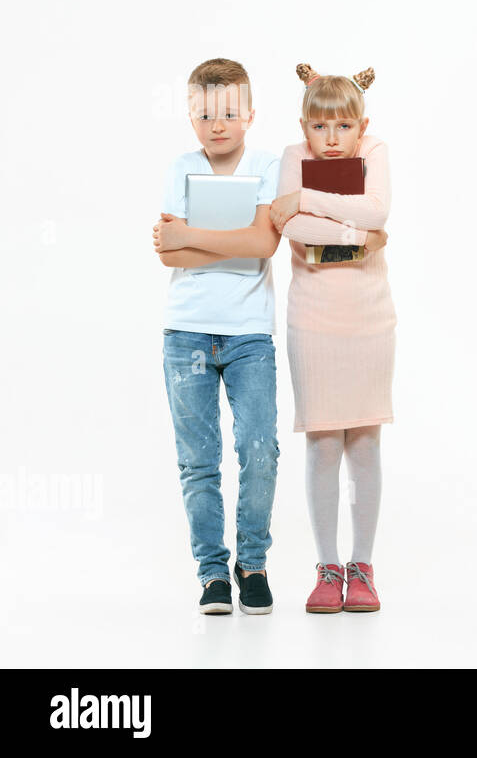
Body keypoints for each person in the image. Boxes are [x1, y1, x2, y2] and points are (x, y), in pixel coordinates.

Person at [154, 57, 281, 615]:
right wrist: (222, 237)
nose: (218, 124)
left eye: (230, 112)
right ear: (190, 115)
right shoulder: (181, 165)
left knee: (259, 450)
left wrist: (192, 235)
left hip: (249, 333)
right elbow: (167, 253)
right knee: (198, 460)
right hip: (186, 332)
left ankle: (252, 563)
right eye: (205, 113)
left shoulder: (268, 164)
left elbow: (263, 245)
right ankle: (213, 575)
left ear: (250, 113)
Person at [270, 64, 394, 614]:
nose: (332, 139)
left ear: (360, 127)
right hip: (313, 318)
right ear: (305, 126)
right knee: (323, 444)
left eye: (344, 127)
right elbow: (289, 226)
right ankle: (326, 567)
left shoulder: (378, 151)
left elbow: (379, 210)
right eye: (320, 128)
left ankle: (362, 565)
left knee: (364, 442)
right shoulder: (292, 157)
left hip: (369, 317)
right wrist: (359, 236)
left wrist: (309, 200)